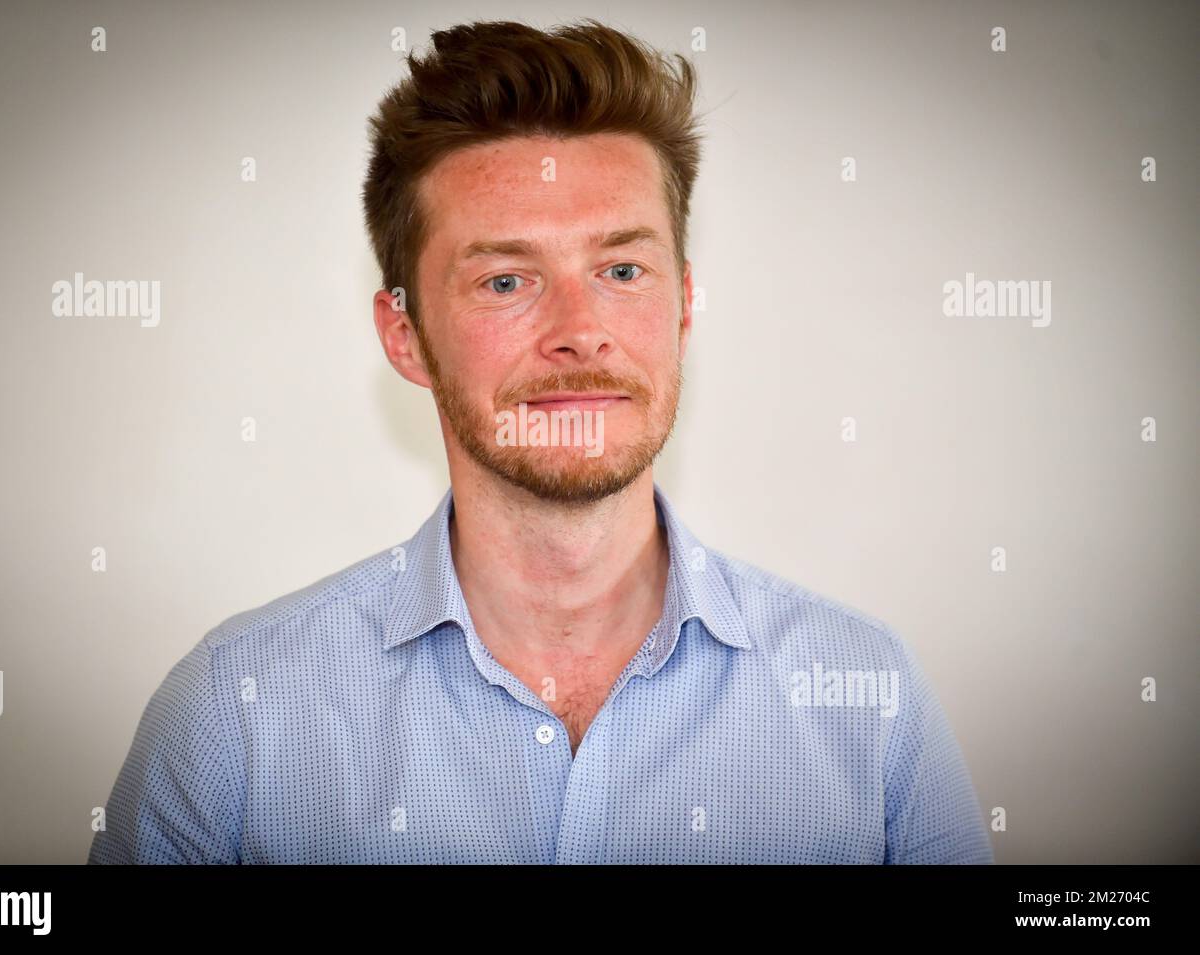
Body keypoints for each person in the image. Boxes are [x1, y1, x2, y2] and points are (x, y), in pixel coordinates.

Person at [88, 18, 992, 864]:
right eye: (508, 280)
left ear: (682, 305)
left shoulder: (869, 698)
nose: (581, 330)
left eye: (623, 270)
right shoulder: (233, 714)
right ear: (404, 334)